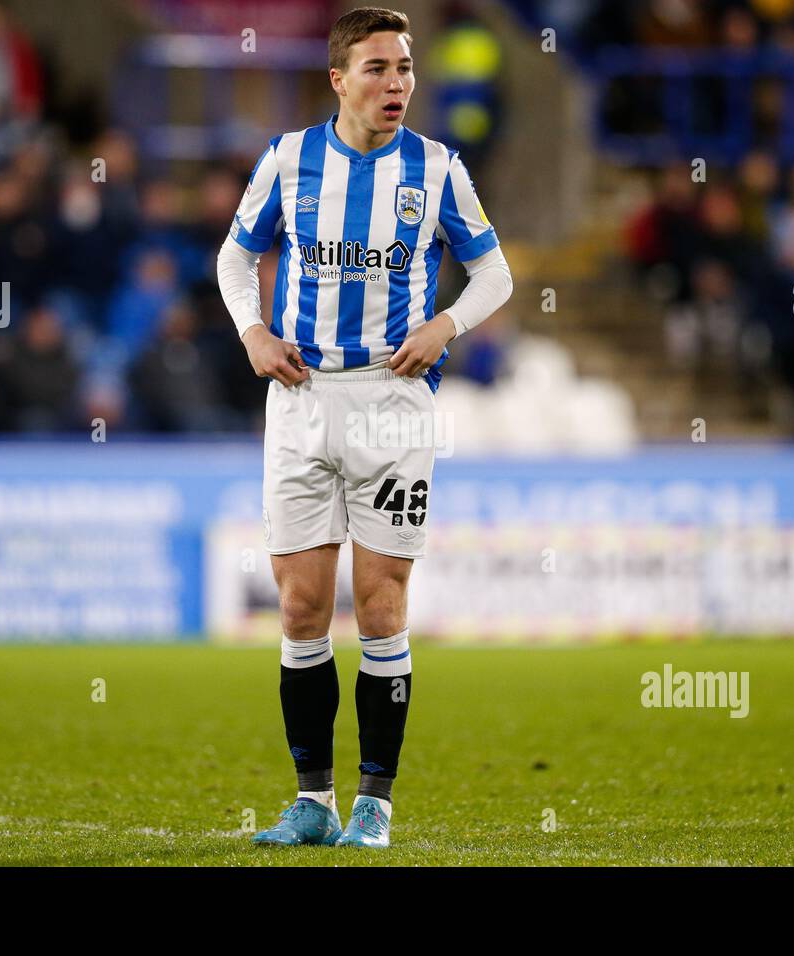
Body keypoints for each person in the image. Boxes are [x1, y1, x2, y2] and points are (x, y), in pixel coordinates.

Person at [215, 6, 512, 849]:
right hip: (301, 399)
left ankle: (374, 807)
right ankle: (313, 801)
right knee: (302, 607)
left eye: (407, 68)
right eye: (379, 68)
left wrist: (445, 325)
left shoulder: (439, 169)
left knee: (381, 607)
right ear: (339, 79)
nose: (398, 84)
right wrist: (253, 333)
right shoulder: (288, 160)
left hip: (391, 403)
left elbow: (494, 273)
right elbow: (236, 255)